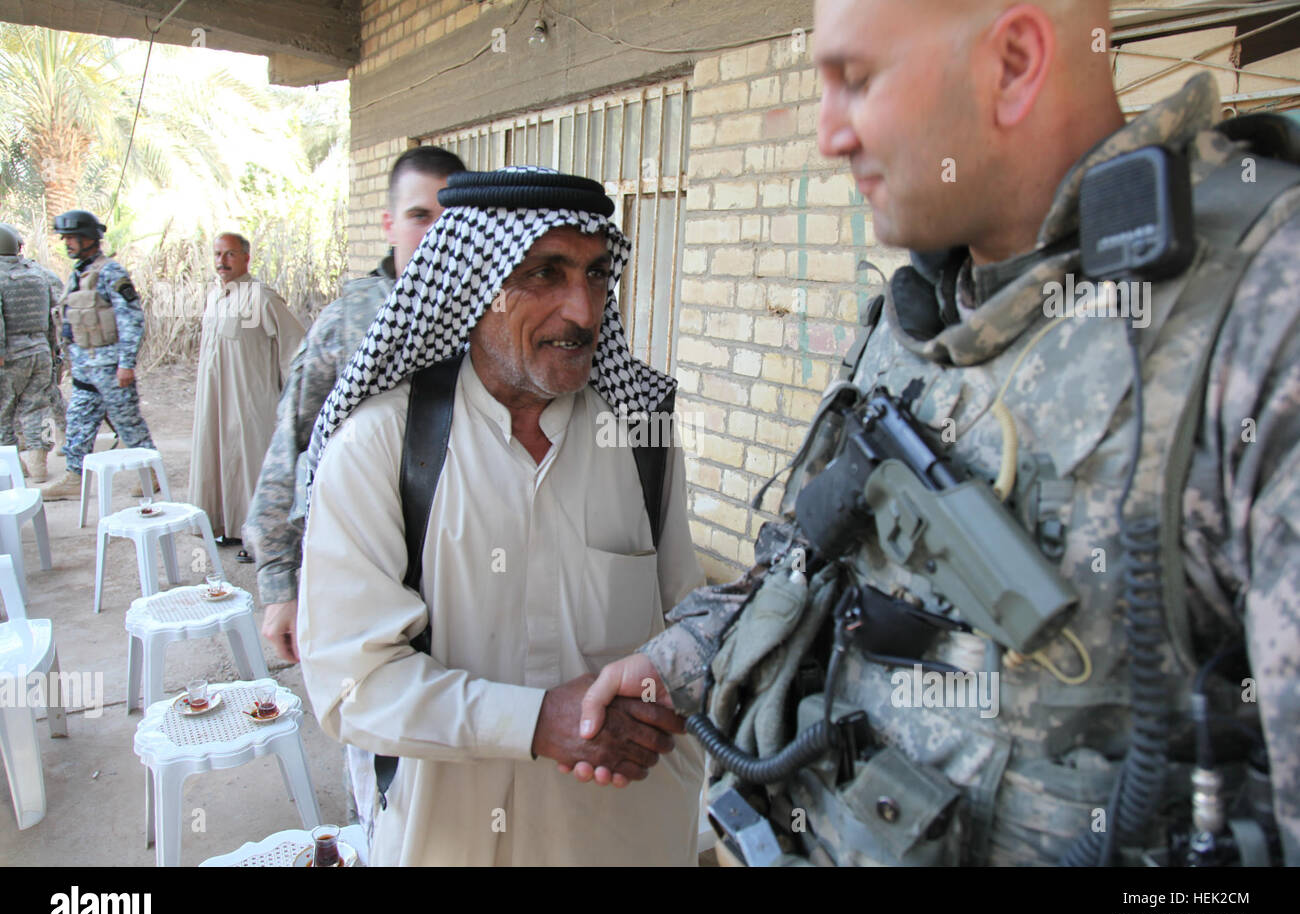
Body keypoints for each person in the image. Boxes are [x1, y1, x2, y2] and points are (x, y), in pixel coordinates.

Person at [581, 0, 1300, 867]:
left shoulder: (1268, 310)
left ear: (1015, 62)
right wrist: (680, 656)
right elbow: (807, 551)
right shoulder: (917, 310)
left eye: (856, 80)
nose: (829, 135)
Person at [298, 167, 705, 865]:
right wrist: (537, 721)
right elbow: (351, 684)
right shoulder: (381, 448)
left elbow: (690, 619)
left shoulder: (639, 436)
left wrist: (672, 679)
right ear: (472, 286)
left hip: (627, 836)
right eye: (545, 273)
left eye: (596, 274)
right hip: (449, 839)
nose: (583, 309)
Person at [243, 144, 466, 831]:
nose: (434, 232)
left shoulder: (486, 316)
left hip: (454, 569)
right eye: (419, 214)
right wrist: (280, 580)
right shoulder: (349, 321)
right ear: (389, 222)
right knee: (371, 745)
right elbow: (291, 441)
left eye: (450, 216)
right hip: (356, 564)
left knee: (446, 743)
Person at [188, 232, 305, 561]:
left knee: (252, 465)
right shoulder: (215, 297)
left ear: (246, 258)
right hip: (216, 401)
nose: (221, 262)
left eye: (229, 255)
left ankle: (264, 540)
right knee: (222, 461)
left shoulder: (262, 297)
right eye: (217, 254)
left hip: (252, 403)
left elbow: (295, 350)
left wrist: (293, 400)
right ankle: (230, 527)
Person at [41, 209, 155, 500]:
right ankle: (73, 476)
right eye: (64, 238)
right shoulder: (79, 273)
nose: (66, 243)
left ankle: (149, 474)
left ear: (89, 239)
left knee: (128, 423)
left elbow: (131, 319)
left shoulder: (110, 272)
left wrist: (126, 364)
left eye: (72, 238)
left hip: (111, 367)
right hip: (85, 367)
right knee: (78, 420)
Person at [0, 223, 66, 467]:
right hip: (40, 352)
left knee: (3, 413)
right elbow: (52, 316)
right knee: (38, 408)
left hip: (9, 356)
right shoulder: (37, 273)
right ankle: (39, 464)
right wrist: (51, 348)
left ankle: (12, 468)